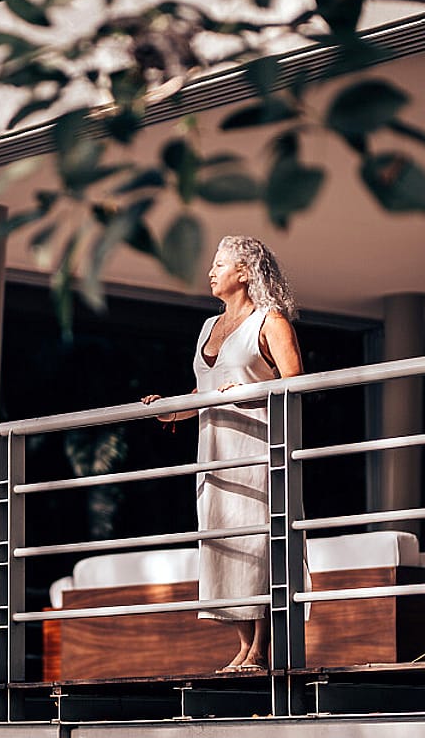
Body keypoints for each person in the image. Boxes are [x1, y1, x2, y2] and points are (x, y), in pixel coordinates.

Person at [142, 235, 304, 673]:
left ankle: (260, 650)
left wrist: (251, 392)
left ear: (245, 272)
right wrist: (172, 408)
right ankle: (243, 644)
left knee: (257, 538)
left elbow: (295, 383)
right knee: (224, 540)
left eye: (220, 264)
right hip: (214, 449)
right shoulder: (207, 328)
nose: (211, 272)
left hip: (257, 447)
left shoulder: (270, 322)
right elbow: (206, 389)